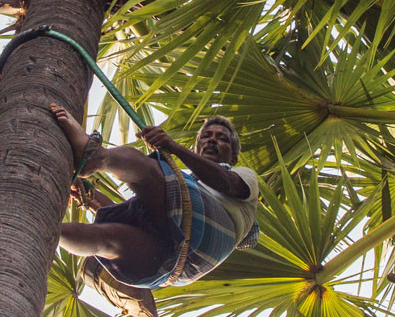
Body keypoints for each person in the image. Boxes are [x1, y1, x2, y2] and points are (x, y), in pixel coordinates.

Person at [51, 105, 261, 289]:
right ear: (195, 148)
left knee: (144, 166)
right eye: (207, 136)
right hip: (175, 269)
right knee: (106, 239)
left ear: (233, 157)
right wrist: (90, 196)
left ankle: (95, 157)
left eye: (221, 138)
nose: (212, 140)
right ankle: (46, 232)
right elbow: (140, 216)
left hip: (213, 235)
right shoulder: (181, 191)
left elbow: (227, 183)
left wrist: (174, 148)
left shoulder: (243, 175)